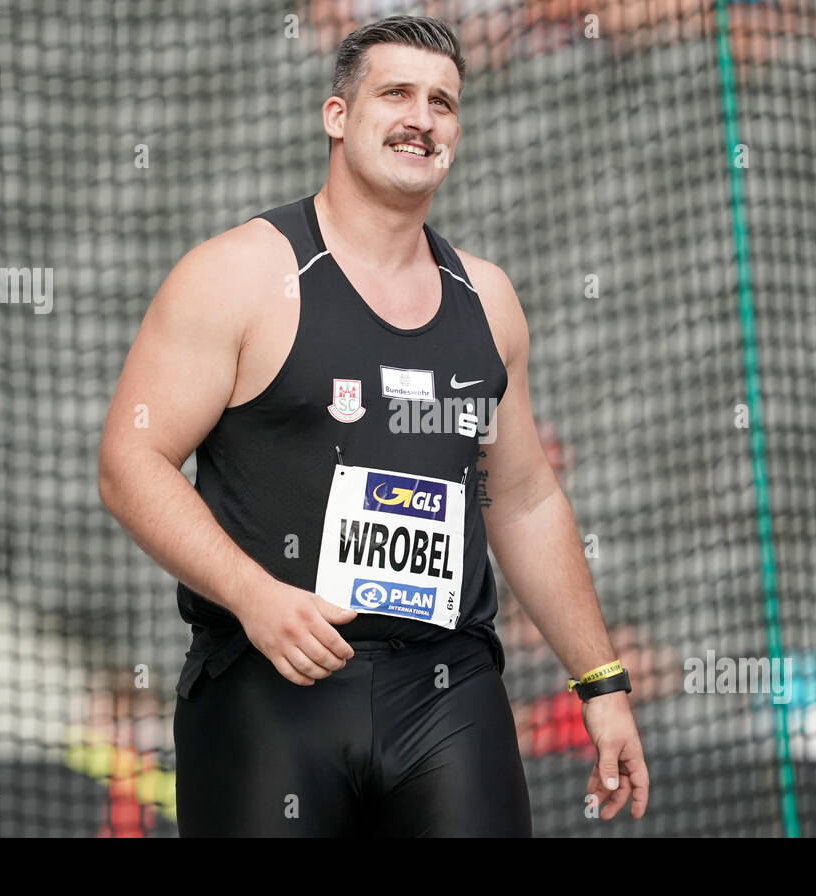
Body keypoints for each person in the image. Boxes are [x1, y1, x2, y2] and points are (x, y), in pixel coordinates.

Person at [98, 14, 648, 836]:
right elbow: (129, 459)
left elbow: (525, 500)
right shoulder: (242, 274)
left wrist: (600, 683)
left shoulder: (486, 298)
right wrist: (255, 596)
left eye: (443, 103)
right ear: (337, 116)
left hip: (446, 688)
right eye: (396, 94)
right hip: (272, 681)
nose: (422, 119)